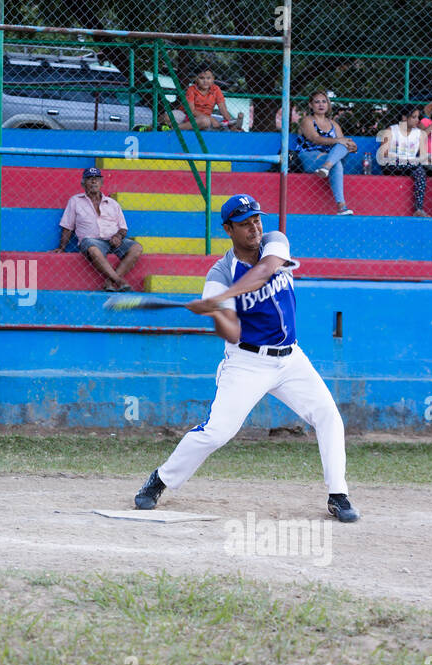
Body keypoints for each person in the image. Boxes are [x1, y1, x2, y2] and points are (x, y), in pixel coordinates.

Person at [132, 194, 358, 523]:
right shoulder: (220, 274)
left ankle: (339, 495)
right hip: (247, 363)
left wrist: (220, 298)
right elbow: (232, 333)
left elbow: (266, 271)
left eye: (256, 219)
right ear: (228, 229)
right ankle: (161, 479)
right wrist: (216, 311)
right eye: (244, 223)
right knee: (217, 433)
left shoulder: (275, 242)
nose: (254, 227)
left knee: (328, 416)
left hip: (290, 357)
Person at [53, 165, 143, 292]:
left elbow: (123, 228)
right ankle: (119, 280)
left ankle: (110, 281)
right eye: (89, 178)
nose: (94, 181)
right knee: (93, 249)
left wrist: (118, 236)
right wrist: (62, 247)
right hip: (92, 241)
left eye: (97, 178)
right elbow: (67, 226)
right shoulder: (75, 201)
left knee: (137, 248)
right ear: (83, 183)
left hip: (113, 240)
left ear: (102, 182)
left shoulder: (113, 204)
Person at [296, 91, 355, 215]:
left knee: (342, 145)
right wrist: (339, 141)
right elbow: (315, 138)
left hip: (328, 159)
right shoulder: (307, 121)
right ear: (311, 105)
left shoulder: (334, 124)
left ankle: (326, 167)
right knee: (337, 162)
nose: (321, 104)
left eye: (324, 101)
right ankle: (341, 206)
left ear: (328, 104)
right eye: (317, 102)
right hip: (310, 157)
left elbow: (342, 143)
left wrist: (351, 146)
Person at [376, 103, 432, 217]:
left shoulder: (419, 134)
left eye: (418, 117)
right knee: (416, 165)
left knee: (420, 171)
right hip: (392, 165)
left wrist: (431, 162)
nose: (417, 120)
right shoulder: (391, 130)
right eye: (414, 117)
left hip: (411, 166)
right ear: (404, 117)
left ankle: (418, 209)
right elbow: (383, 155)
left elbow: (423, 155)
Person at [172, 66, 244, 132]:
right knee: (205, 121)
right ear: (196, 79)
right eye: (202, 78)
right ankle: (176, 128)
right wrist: (211, 119)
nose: (205, 81)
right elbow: (192, 111)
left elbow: (222, 108)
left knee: (233, 126)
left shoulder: (216, 89)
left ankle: (235, 128)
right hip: (189, 116)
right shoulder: (192, 89)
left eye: (208, 78)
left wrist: (229, 122)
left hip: (205, 117)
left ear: (213, 79)